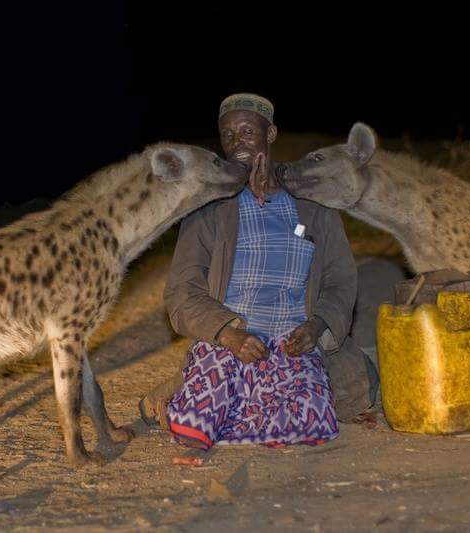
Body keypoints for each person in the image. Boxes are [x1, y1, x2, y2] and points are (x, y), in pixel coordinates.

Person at [139, 93, 378, 449]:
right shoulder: (210, 208)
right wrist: (227, 334)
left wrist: (316, 326)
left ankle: (197, 391)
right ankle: (181, 393)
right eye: (228, 135)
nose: (237, 142)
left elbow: (340, 279)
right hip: (232, 342)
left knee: (326, 413)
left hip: (292, 343)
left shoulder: (312, 205)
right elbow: (182, 291)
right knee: (195, 425)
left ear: (271, 134)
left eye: (248, 132)